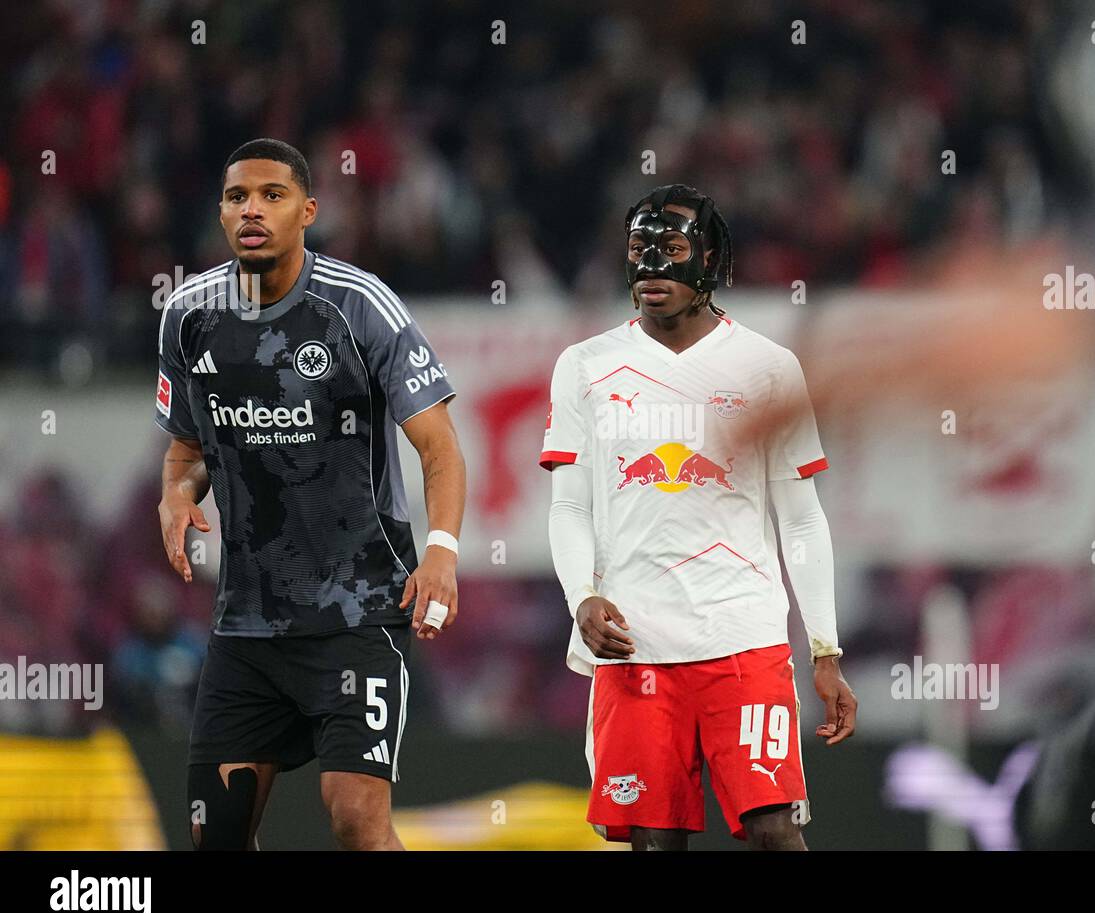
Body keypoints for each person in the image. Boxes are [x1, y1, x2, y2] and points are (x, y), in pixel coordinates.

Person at [155, 139, 466, 850]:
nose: (252, 210)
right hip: (248, 626)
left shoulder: (360, 308)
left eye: (272, 195)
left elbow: (440, 447)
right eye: (237, 197)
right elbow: (187, 448)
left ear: (308, 211)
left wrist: (442, 553)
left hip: (359, 614)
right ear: (222, 213)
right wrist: (175, 496)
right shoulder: (188, 315)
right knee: (217, 834)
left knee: (356, 817)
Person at [541, 184, 856, 850]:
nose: (653, 268)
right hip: (636, 647)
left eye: (673, 250)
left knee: (775, 834)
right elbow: (569, 504)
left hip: (744, 640)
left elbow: (801, 519)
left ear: (710, 258)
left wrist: (825, 650)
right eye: (638, 252)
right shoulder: (585, 366)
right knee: (655, 844)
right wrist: (582, 598)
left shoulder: (767, 366)